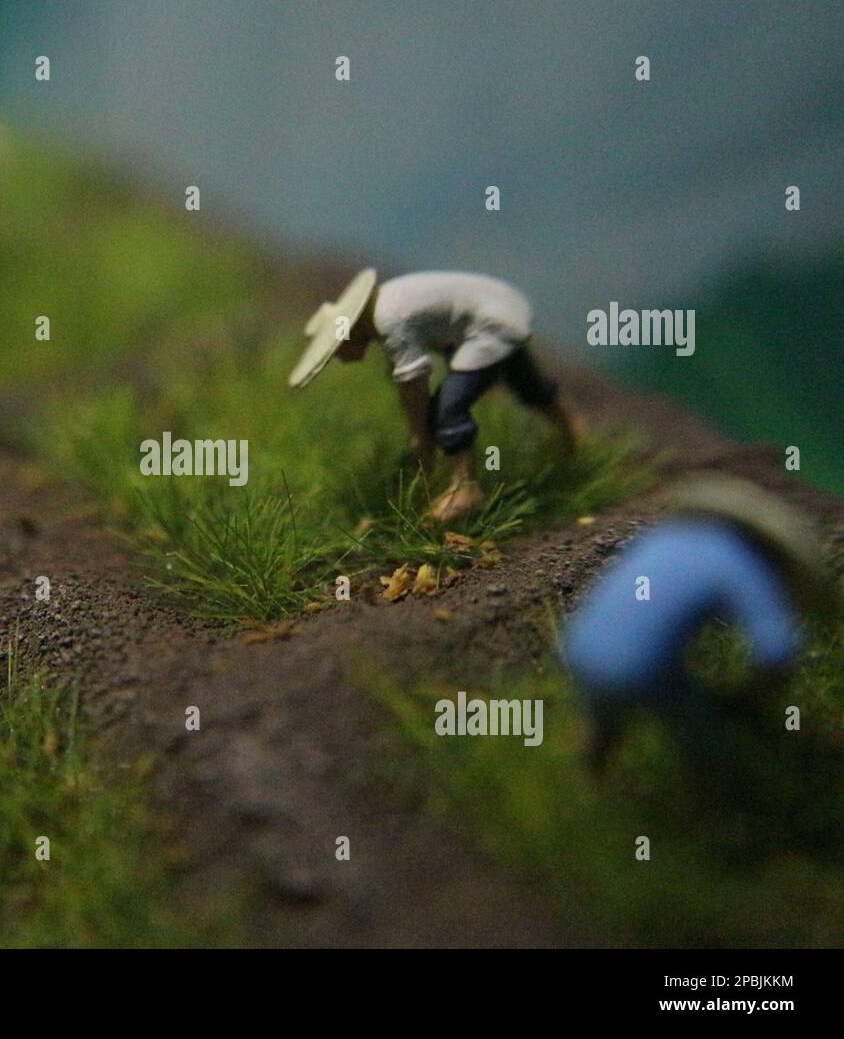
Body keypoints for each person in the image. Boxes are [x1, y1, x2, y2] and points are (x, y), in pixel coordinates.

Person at [562, 476, 838, 773]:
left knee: (606, 713)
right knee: (703, 735)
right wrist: (748, 698)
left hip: (578, 645)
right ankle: (709, 793)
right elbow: (777, 650)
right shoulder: (742, 563)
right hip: (637, 668)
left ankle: (588, 777)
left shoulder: (666, 536)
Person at [289, 269, 584, 521]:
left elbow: (414, 382)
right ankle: (572, 432)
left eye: (337, 350)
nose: (339, 357)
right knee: (526, 382)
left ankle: (464, 488)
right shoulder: (384, 306)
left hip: (489, 324)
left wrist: (420, 436)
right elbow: (404, 375)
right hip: (498, 306)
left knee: (447, 409)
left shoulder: (389, 320)